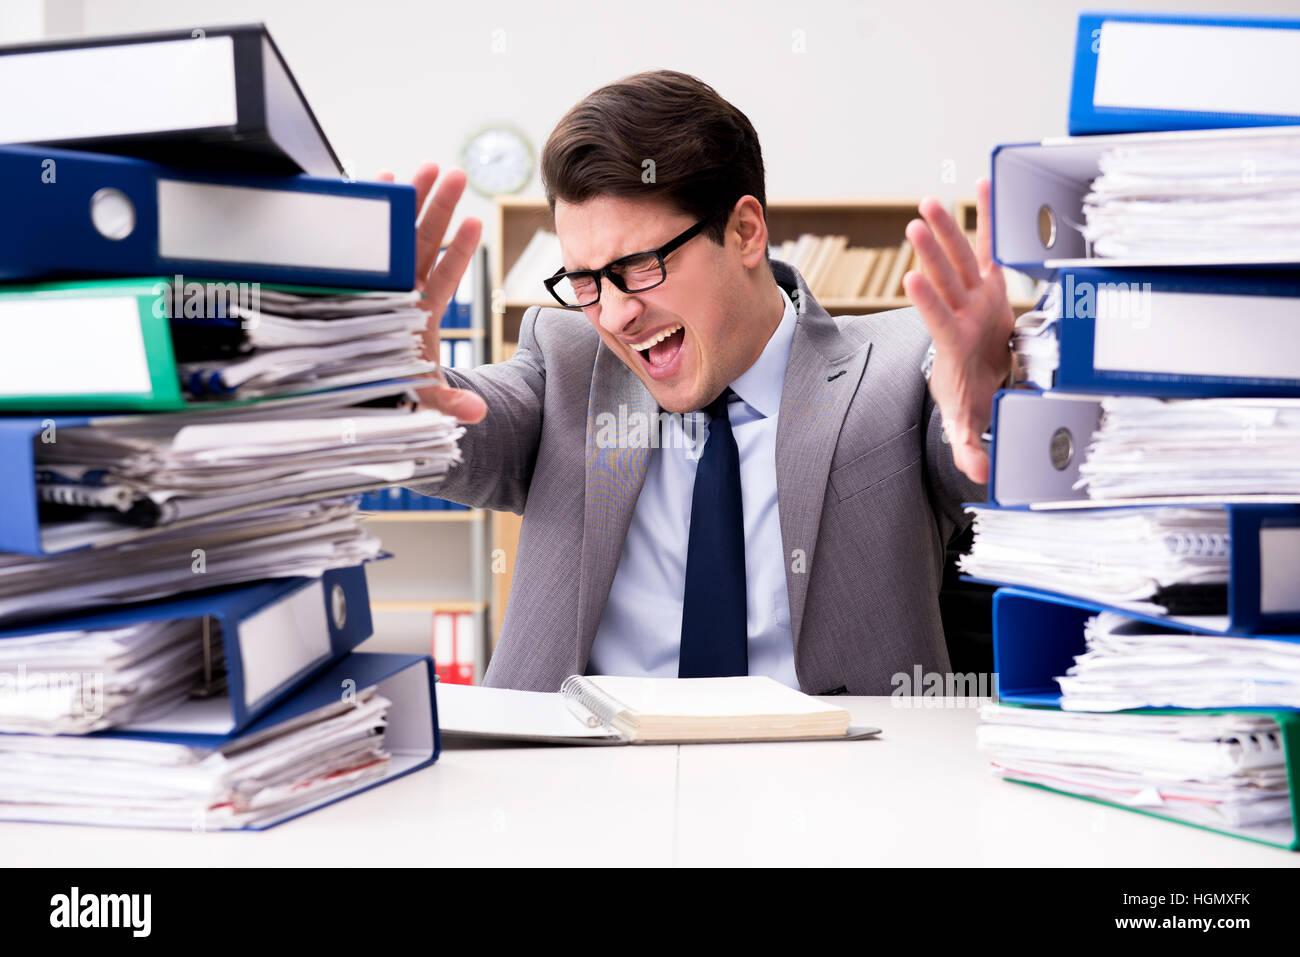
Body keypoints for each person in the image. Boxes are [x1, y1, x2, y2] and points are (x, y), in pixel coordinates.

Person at [386, 70, 1014, 694]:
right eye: (585, 281)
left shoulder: (901, 370)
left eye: (639, 265)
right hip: (577, 777)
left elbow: (981, 457)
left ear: (745, 232)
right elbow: (458, 425)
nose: (614, 313)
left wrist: (992, 411)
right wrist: (395, 386)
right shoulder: (567, 366)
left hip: (829, 779)